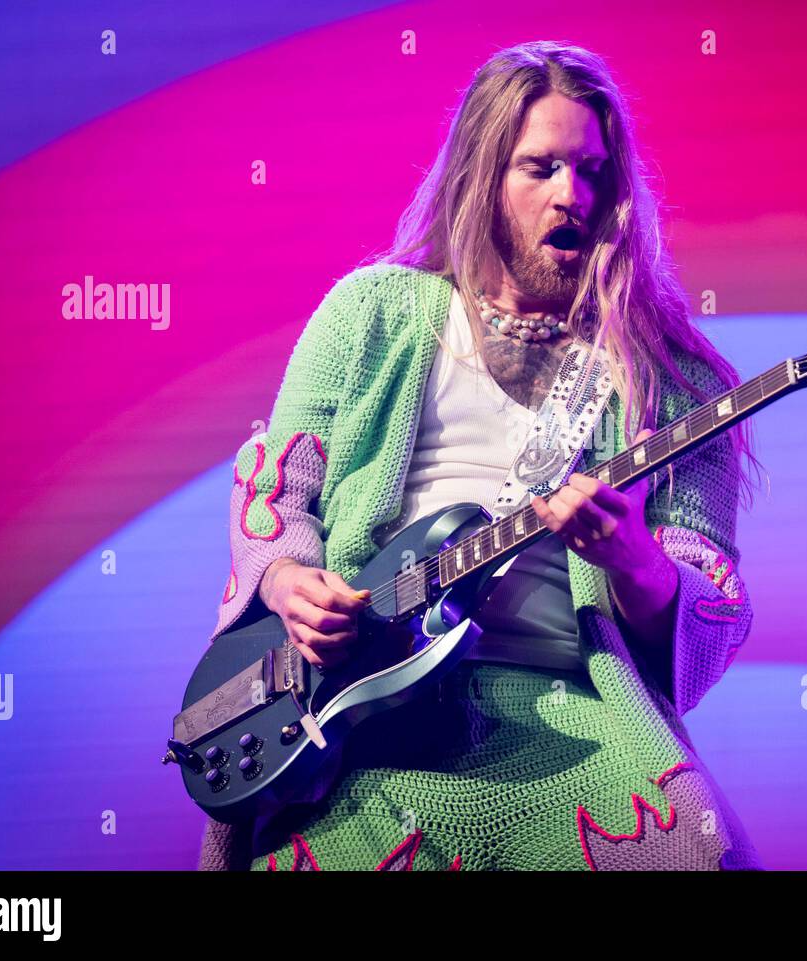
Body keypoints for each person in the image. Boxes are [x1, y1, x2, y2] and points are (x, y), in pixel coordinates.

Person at [199, 40, 764, 871]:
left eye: (591, 169)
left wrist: (631, 555)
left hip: (576, 712)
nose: (571, 194)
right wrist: (287, 581)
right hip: (358, 707)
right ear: (483, 176)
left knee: (691, 853)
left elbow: (707, 601)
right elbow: (278, 487)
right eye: (539, 168)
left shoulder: (671, 378)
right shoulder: (370, 313)